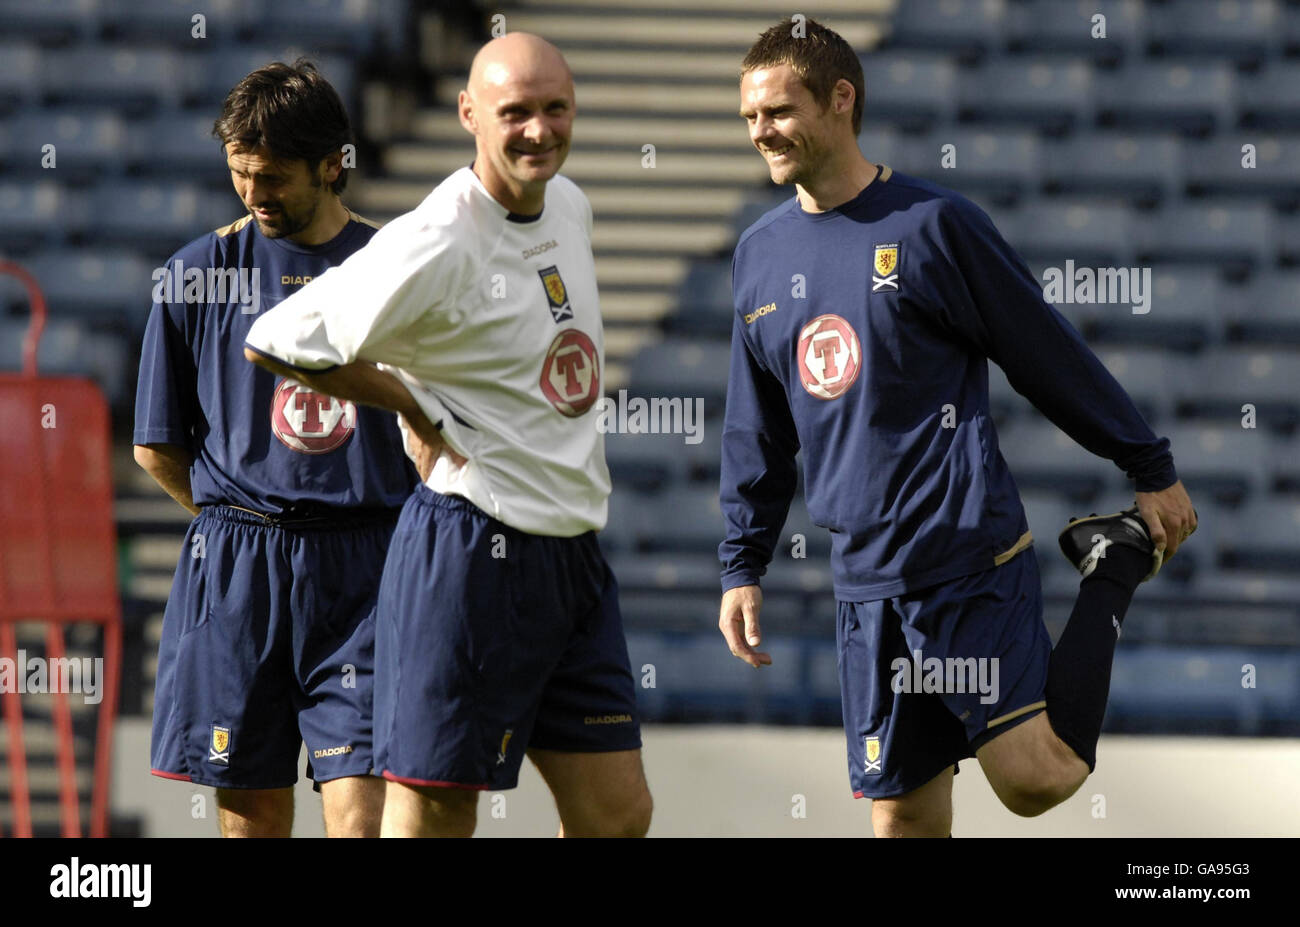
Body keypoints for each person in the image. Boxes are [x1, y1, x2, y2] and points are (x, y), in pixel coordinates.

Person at [717, 19, 1197, 837]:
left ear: (841, 100)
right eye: (750, 117)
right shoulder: (759, 253)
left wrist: (1144, 460)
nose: (761, 130)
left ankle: (1112, 563)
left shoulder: (934, 224)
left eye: (778, 110)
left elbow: (1043, 350)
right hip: (865, 585)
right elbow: (756, 425)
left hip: (962, 557)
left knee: (1038, 777)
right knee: (903, 819)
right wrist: (742, 561)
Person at [243, 33, 653, 838]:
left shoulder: (568, 203)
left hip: (571, 553)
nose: (539, 130)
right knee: (433, 814)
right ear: (468, 114)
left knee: (618, 813)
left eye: (554, 108)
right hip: (472, 551)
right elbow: (279, 339)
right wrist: (411, 404)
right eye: (515, 113)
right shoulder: (441, 236)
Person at [133, 60, 415, 837]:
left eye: (273, 176)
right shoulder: (195, 276)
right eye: (239, 173)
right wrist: (242, 516)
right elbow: (156, 446)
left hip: (367, 574)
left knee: (360, 819)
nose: (255, 193)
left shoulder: (396, 271)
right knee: (250, 823)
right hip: (237, 575)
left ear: (333, 167)